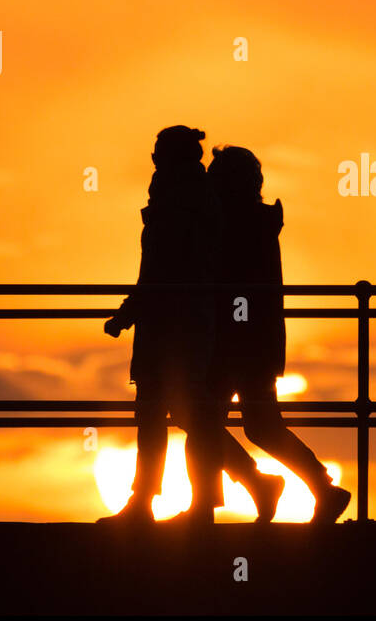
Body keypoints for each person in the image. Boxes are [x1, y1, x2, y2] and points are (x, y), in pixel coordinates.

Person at [100, 126, 284, 525]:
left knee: (166, 415)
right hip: (185, 323)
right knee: (188, 416)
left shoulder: (176, 203)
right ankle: (230, 490)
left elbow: (160, 270)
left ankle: (162, 502)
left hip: (173, 326)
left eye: (159, 151)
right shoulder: (190, 199)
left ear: (171, 157)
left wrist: (130, 311)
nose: (153, 158)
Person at [207, 145, 351, 523]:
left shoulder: (235, 225)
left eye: (217, 174)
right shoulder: (255, 222)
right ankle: (316, 487)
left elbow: (225, 281)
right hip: (257, 341)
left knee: (203, 419)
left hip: (232, 342)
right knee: (260, 425)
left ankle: (262, 484)